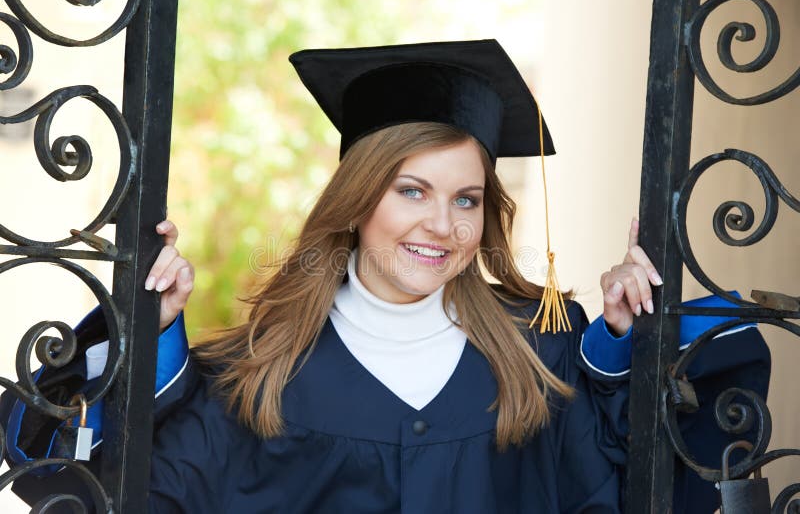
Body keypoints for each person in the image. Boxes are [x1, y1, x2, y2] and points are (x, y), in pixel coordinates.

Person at [1, 40, 770, 513]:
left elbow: (621, 475)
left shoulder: (538, 356)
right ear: (357, 198)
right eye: (412, 190)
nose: (443, 225)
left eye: (466, 199)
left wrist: (621, 340)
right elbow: (137, 484)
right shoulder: (259, 379)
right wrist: (157, 328)